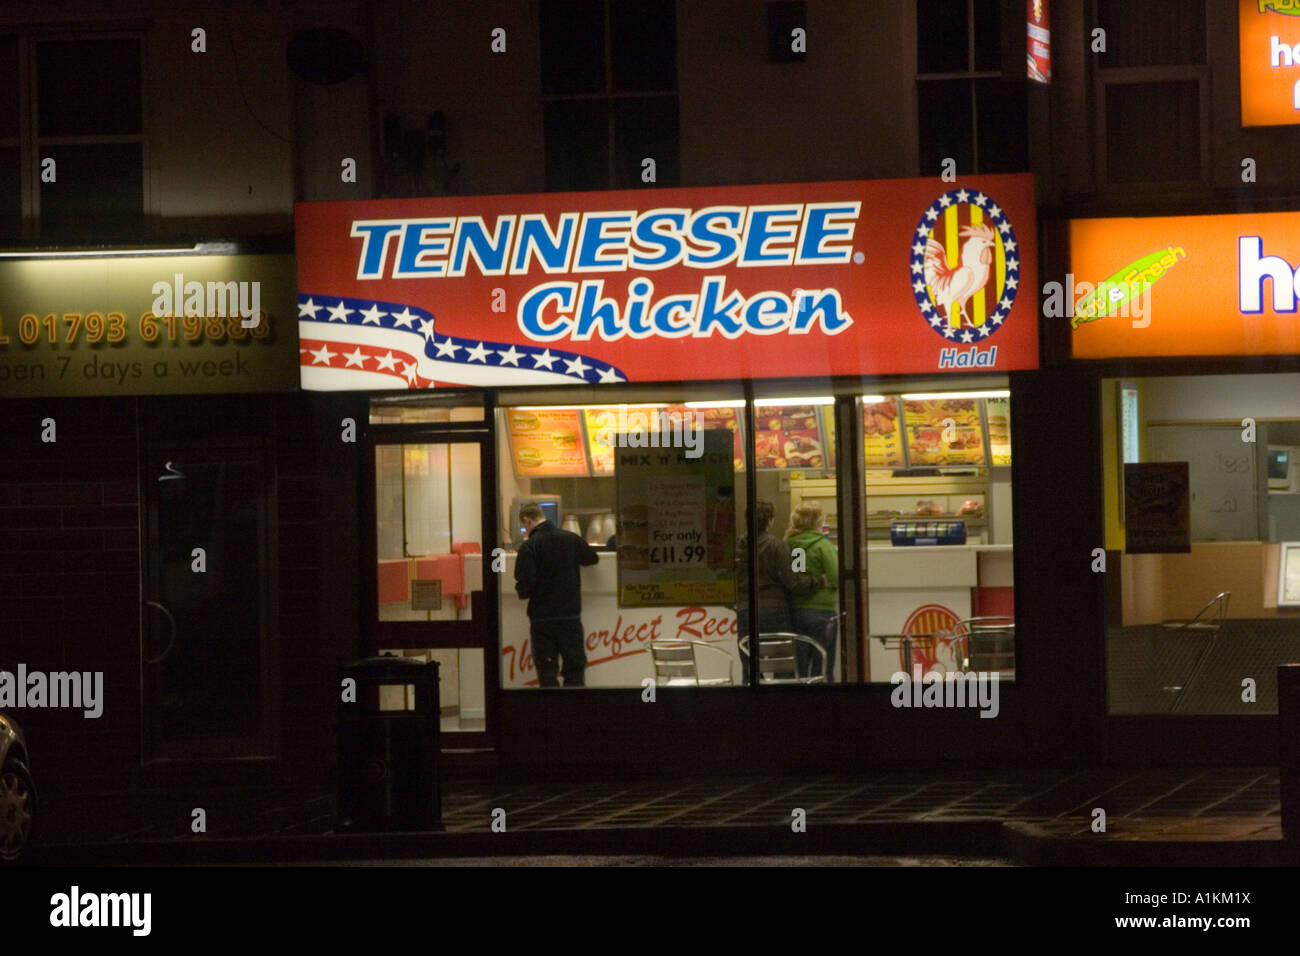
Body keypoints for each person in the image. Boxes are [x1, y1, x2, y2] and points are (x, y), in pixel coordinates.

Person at [735, 498, 821, 682]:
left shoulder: (735, 547)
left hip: (744, 611)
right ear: (770, 520)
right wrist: (818, 581)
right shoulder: (778, 546)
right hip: (774, 612)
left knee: (750, 669)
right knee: (783, 668)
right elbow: (793, 583)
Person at [514, 502, 599, 687]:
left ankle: (552, 712)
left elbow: (524, 587)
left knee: (547, 672)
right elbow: (592, 558)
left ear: (527, 521)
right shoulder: (571, 539)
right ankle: (573, 711)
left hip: (542, 620)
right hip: (570, 617)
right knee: (575, 668)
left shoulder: (529, 547)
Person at [785, 503, 839, 681]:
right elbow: (837, 577)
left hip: (797, 612)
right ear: (818, 521)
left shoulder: (793, 546)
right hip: (822, 613)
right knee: (822, 669)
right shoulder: (824, 546)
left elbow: (797, 577)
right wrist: (824, 582)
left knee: (800, 670)